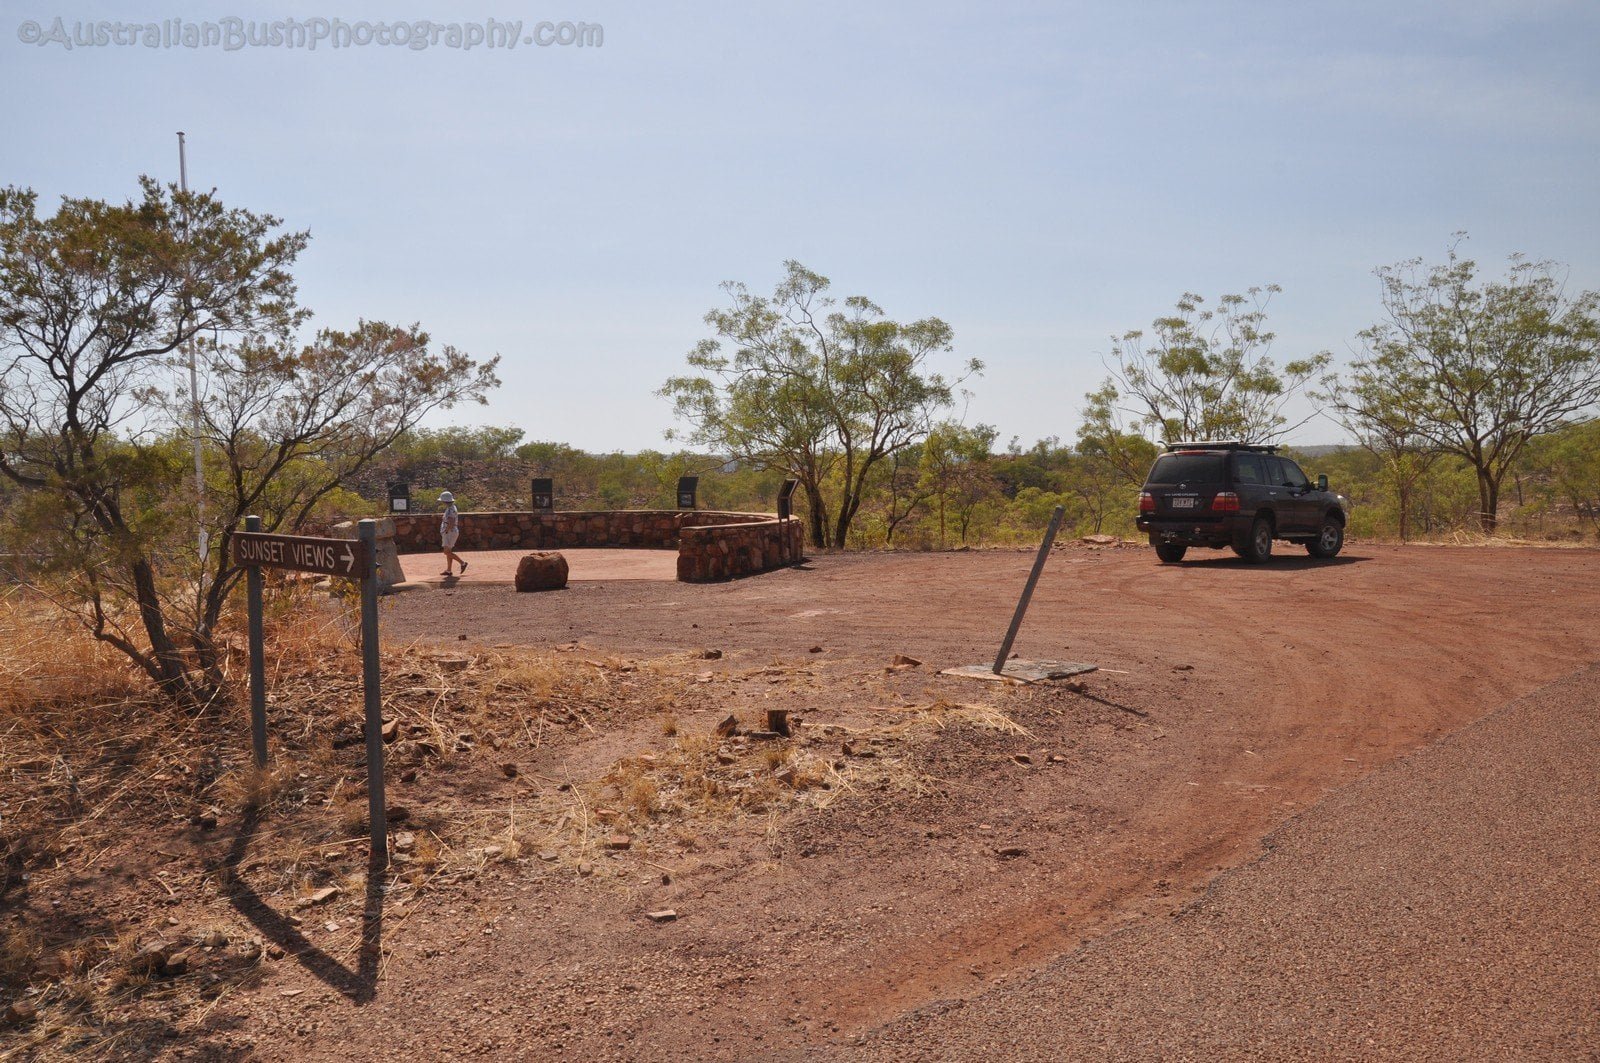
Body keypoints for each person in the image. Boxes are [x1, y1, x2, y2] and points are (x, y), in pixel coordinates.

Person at [438, 491, 467, 577]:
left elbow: (451, 521)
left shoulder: (450, 509)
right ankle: (449, 570)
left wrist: (446, 530)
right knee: (449, 551)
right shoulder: (452, 508)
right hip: (451, 532)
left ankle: (462, 563)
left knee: (446, 552)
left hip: (449, 532)